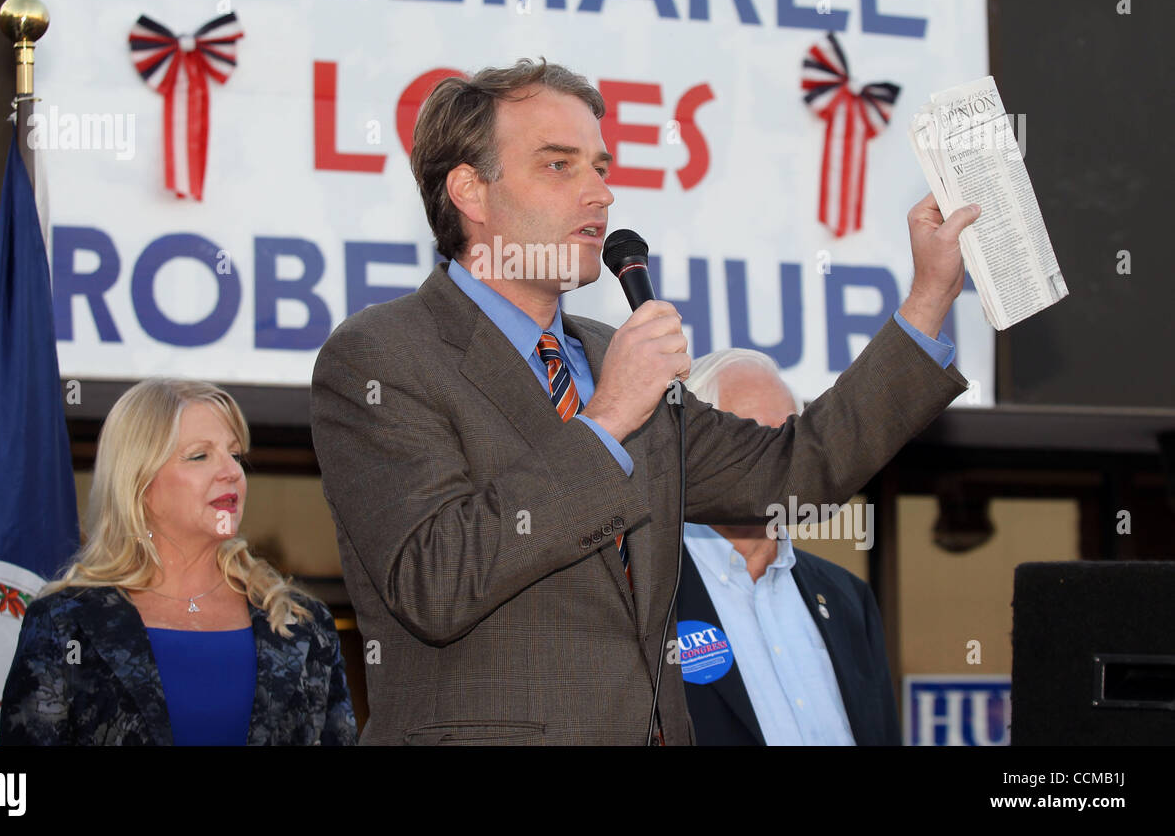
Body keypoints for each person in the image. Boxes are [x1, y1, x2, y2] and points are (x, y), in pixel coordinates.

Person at [310, 58, 976, 745]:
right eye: (559, 165)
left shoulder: (608, 357)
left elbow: (796, 469)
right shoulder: (382, 356)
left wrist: (928, 299)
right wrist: (605, 422)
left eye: (600, 167)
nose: (601, 193)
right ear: (470, 191)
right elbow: (433, 580)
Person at [1, 379, 356, 745]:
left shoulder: (301, 624)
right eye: (200, 455)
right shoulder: (64, 623)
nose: (232, 472)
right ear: (140, 483)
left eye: (235, 455)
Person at [678, 349, 900, 745]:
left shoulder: (848, 599)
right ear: (691, 448)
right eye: (747, 436)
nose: (771, 460)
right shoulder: (643, 595)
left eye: (785, 441)